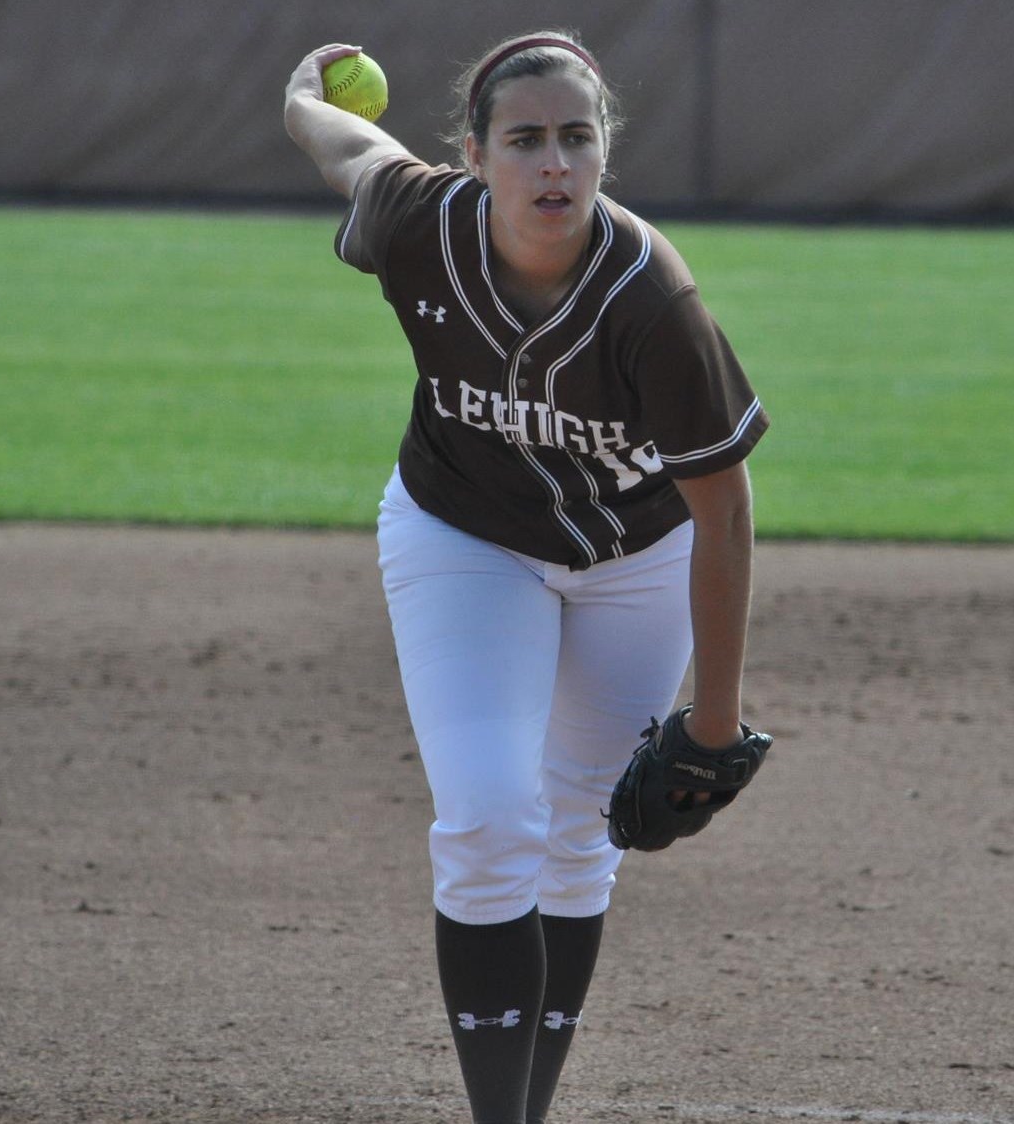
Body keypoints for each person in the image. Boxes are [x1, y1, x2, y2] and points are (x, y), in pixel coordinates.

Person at [284, 30, 769, 1123]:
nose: (553, 163)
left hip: (638, 559)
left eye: (576, 138)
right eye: (525, 140)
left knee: (577, 834)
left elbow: (724, 509)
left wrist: (714, 723)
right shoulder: (422, 222)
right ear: (474, 155)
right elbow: (341, 144)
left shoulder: (653, 300)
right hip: (464, 533)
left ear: (604, 154)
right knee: (489, 815)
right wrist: (297, 98)